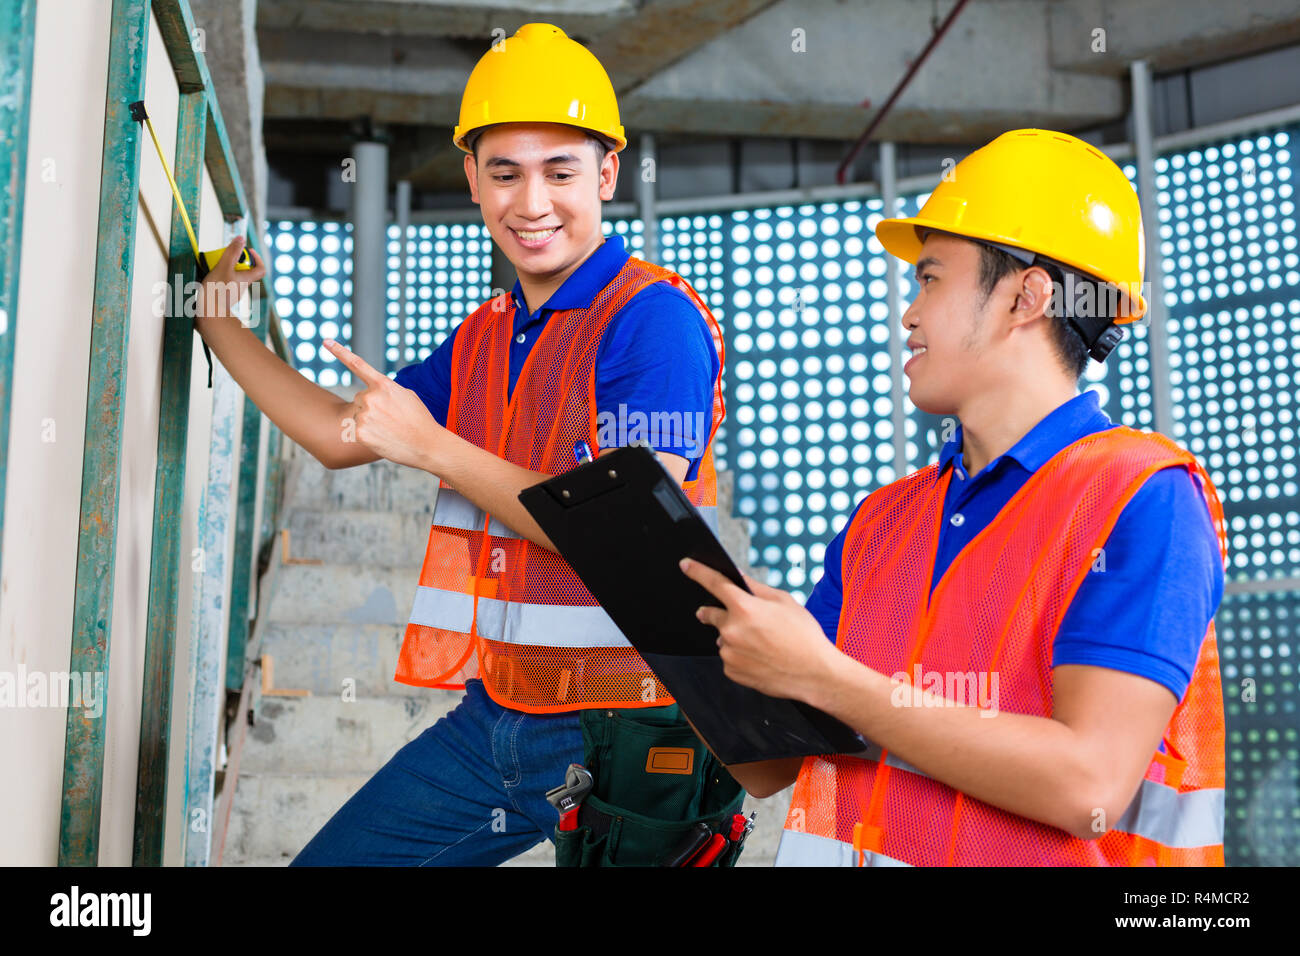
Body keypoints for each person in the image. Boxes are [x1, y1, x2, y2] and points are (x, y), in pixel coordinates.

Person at [198, 23, 738, 866]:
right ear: (472, 182)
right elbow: (342, 439)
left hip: (626, 727)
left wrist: (435, 449)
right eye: (505, 173)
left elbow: (624, 534)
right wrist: (220, 325)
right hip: (498, 719)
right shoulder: (486, 335)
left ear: (606, 173)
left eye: (560, 171)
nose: (532, 203)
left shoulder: (653, 321)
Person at [680, 128, 1228, 866]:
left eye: (931, 278)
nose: (908, 313)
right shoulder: (884, 522)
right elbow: (770, 765)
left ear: (1025, 298)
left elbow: (1087, 785)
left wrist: (824, 675)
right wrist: (686, 636)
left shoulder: (1141, 499)